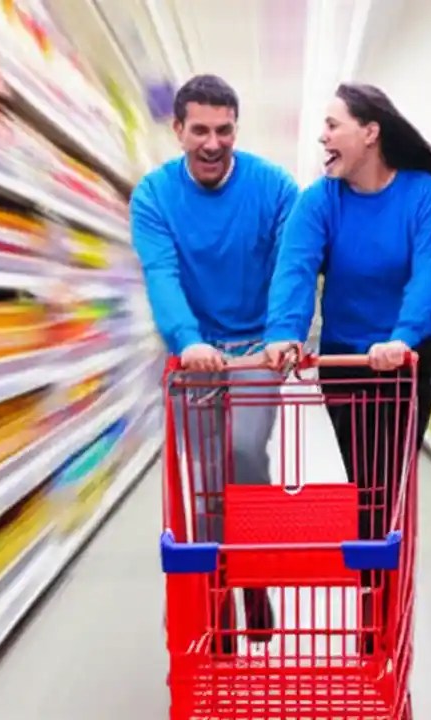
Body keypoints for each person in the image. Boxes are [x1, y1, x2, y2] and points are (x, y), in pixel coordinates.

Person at [262, 83, 431, 651]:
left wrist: (400, 338)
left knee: (386, 485)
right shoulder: (319, 201)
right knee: (363, 484)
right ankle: (376, 592)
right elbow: (295, 270)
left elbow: (429, 275)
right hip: (345, 363)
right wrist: (283, 335)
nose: (322, 136)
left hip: (406, 364)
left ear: (370, 133)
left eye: (332, 124)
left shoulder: (426, 195)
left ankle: (381, 607)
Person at [130, 74, 299, 651]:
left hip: (257, 348)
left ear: (235, 129)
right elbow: (162, 274)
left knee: (246, 451)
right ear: (177, 130)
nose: (212, 142)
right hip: (196, 354)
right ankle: (220, 587)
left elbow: (291, 271)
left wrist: (283, 333)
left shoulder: (274, 188)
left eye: (223, 130)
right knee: (203, 480)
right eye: (199, 129)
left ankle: (254, 569)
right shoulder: (153, 196)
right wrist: (185, 339)